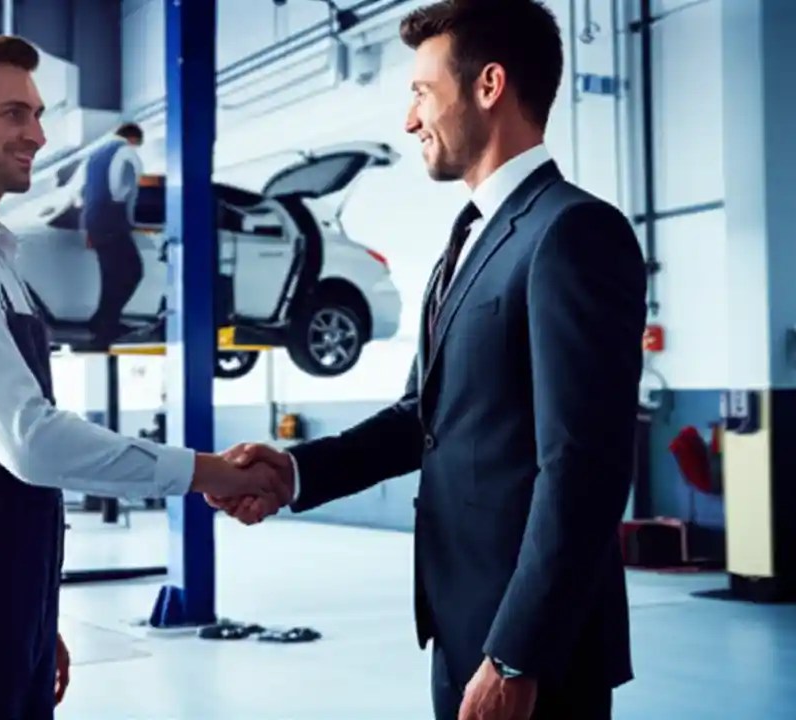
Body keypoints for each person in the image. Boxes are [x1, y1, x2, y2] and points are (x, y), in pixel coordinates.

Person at [211, 2, 646, 718]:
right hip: (462, 621)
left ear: (489, 86)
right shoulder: (470, 239)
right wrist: (295, 472)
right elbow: (426, 418)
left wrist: (518, 654)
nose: (410, 120)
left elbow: (583, 467)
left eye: (421, 93)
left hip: (532, 649)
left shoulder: (572, 232)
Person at [0, 35, 286, 719]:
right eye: (13, 114)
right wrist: (208, 472)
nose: (37, 134)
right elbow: (29, 441)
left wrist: (36, 614)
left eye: (37, 114)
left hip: (4, 563)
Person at [83, 122, 146, 346]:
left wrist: (89, 226)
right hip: (113, 217)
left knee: (111, 275)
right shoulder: (126, 153)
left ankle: (103, 322)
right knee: (132, 271)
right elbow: (123, 190)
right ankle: (106, 324)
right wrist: (130, 220)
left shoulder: (95, 156)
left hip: (95, 220)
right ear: (133, 138)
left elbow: (86, 192)